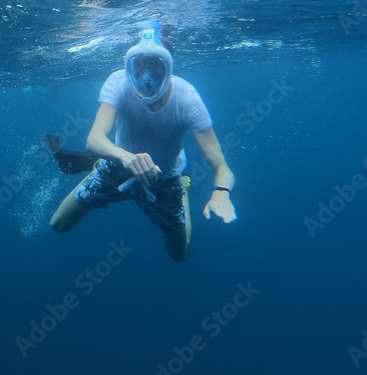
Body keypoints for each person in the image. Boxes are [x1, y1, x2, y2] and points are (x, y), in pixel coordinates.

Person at [49, 25, 236, 262]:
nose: (145, 73)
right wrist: (126, 157)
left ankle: (184, 185)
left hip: (165, 179)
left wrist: (221, 192)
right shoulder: (119, 82)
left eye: (155, 63)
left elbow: (222, 166)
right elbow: (94, 139)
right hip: (118, 167)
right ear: (131, 62)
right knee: (58, 224)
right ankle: (100, 165)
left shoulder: (188, 99)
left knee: (179, 255)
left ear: (169, 65)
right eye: (139, 63)